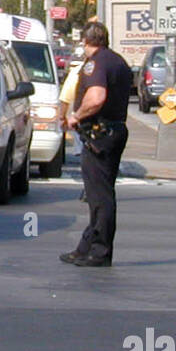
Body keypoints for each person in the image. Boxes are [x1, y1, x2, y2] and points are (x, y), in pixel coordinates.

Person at [61, 21, 132, 268]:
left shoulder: (96, 63)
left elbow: (97, 97)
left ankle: (100, 251)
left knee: (99, 196)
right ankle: (86, 247)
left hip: (100, 134)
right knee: (98, 193)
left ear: (85, 42)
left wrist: (76, 116)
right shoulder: (117, 61)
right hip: (114, 130)